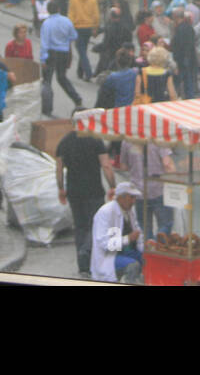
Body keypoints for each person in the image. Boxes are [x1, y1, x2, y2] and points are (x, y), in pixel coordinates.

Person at [57, 113, 115, 277]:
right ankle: (87, 252)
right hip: (94, 191)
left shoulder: (64, 142)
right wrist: (113, 186)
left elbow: (59, 169)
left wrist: (61, 188)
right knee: (94, 225)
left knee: (80, 227)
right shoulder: (95, 140)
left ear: (72, 122)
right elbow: (106, 166)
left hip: (74, 192)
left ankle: (83, 267)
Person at [118, 140, 176, 239]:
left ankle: (148, 248)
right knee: (166, 224)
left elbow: (123, 166)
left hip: (138, 192)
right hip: (158, 189)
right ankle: (157, 246)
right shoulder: (158, 139)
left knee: (144, 227)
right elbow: (167, 164)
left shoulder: (126, 141)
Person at [90, 182, 144, 283]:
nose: (134, 201)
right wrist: (127, 239)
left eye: (135, 198)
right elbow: (104, 243)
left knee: (148, 259)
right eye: (131, 197)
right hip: (109, 256)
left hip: (127, 251)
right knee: (133, 265)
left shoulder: (130, 210)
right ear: (121, 197)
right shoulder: (105, 213)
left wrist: (146, 248)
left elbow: (138, 231)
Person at [39, 0, 83, 117]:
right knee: (62, 77)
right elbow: (74, 36)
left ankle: (47, 107)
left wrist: (43, 58)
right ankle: (77, 98)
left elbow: (44, 43)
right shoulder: (67, 21)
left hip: (51, 53)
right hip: (63, 52)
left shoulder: (46, 23)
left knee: (47, 81)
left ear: (48, 11)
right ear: (58, 9)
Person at [68, 0, 100, 80]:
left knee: (81, 51)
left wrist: (70, 28)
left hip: (77, 27)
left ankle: (88, 72)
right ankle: (79, 72)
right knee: (83, 49)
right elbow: (96, 15)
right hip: (88, 27)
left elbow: (71, 15)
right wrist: (95, 27)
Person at [169, 7, 198, 98]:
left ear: (175, 17)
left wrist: (177, 59)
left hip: (182, 60)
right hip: (190, 58)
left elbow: (179, 45)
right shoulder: (189, 27)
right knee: (189, 83)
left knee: (178, 82)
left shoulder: (180, 29)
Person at [95, 7, 132, 78]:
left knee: (105, 59)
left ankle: (100, 73)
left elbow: (106, 42)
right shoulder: (125, 25)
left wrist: (98, 47)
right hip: (123, 49)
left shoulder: (110, 27)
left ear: (111, 17)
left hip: (112, 50)